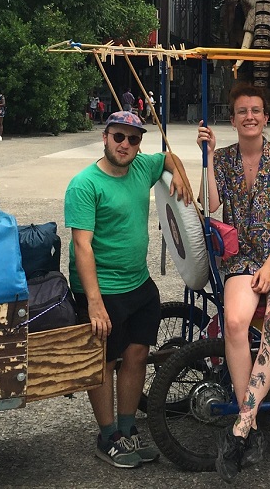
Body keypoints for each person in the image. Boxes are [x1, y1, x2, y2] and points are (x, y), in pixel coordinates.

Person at [196, 83, 270, 482]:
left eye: (256, 110)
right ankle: (253, 425)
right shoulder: (225, 159)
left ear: (266, 117)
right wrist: (207, 158)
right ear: (233, 119)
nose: (249, 116)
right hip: (243, 257)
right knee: (234, 323)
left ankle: (242, 425)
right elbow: (210, 205)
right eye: (242, 110)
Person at [65, 110, 191, 469]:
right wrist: (93, 303)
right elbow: (81, 247)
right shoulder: (84, 184)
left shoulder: (141, 168)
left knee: (136, 355)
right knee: (103, 362)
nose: (125, 145)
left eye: (133, 139)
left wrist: (178, 174)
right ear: (105, 137)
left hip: (139, 282)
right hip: (102, 289)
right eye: (119, 137)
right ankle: (107, 437)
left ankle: (127, 428)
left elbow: (167, 155)